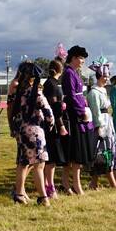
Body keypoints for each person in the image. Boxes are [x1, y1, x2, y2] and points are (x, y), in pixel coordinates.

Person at [8, 61, 54, 206]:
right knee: (39, 164)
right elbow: (48, 112)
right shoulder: (36, 93)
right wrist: (51, 124)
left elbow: (12, 110)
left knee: (23, 163)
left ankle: (19, 193)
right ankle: (43, 197)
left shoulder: (18, 92)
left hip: (21, 130)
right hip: (35, 131)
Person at [59, 45, 96, 195]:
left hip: (80, 117)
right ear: (73, 58)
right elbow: (72, 96)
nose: (82, 61)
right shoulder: (68, 73)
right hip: (75, 118)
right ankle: (72, 184)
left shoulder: (74, 72)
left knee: (76, 155)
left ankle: (68, 183)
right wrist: (81, 112)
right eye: (80, 58)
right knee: (74, 154)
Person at [85, 57, 116, 191]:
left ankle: (94, 183)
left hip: (107, 121)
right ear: (99, 76)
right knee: (102, 152)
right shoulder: (94, 92)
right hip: (101, 124)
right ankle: (112, 184)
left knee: (105, 152)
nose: (106, 78)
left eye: (108, 76)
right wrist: (99, 127)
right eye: (104, 76)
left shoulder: (103, 90)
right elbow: (95, 112)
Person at [41, 57, 68, 195]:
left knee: (49, 158)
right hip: (52, 125)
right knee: (51, 158)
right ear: (60, 69)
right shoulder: (52, 85)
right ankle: (49, 186)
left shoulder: (51, 83)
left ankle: (47, 184)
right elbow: (55, 108)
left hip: (50, 123)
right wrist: (61, 124)